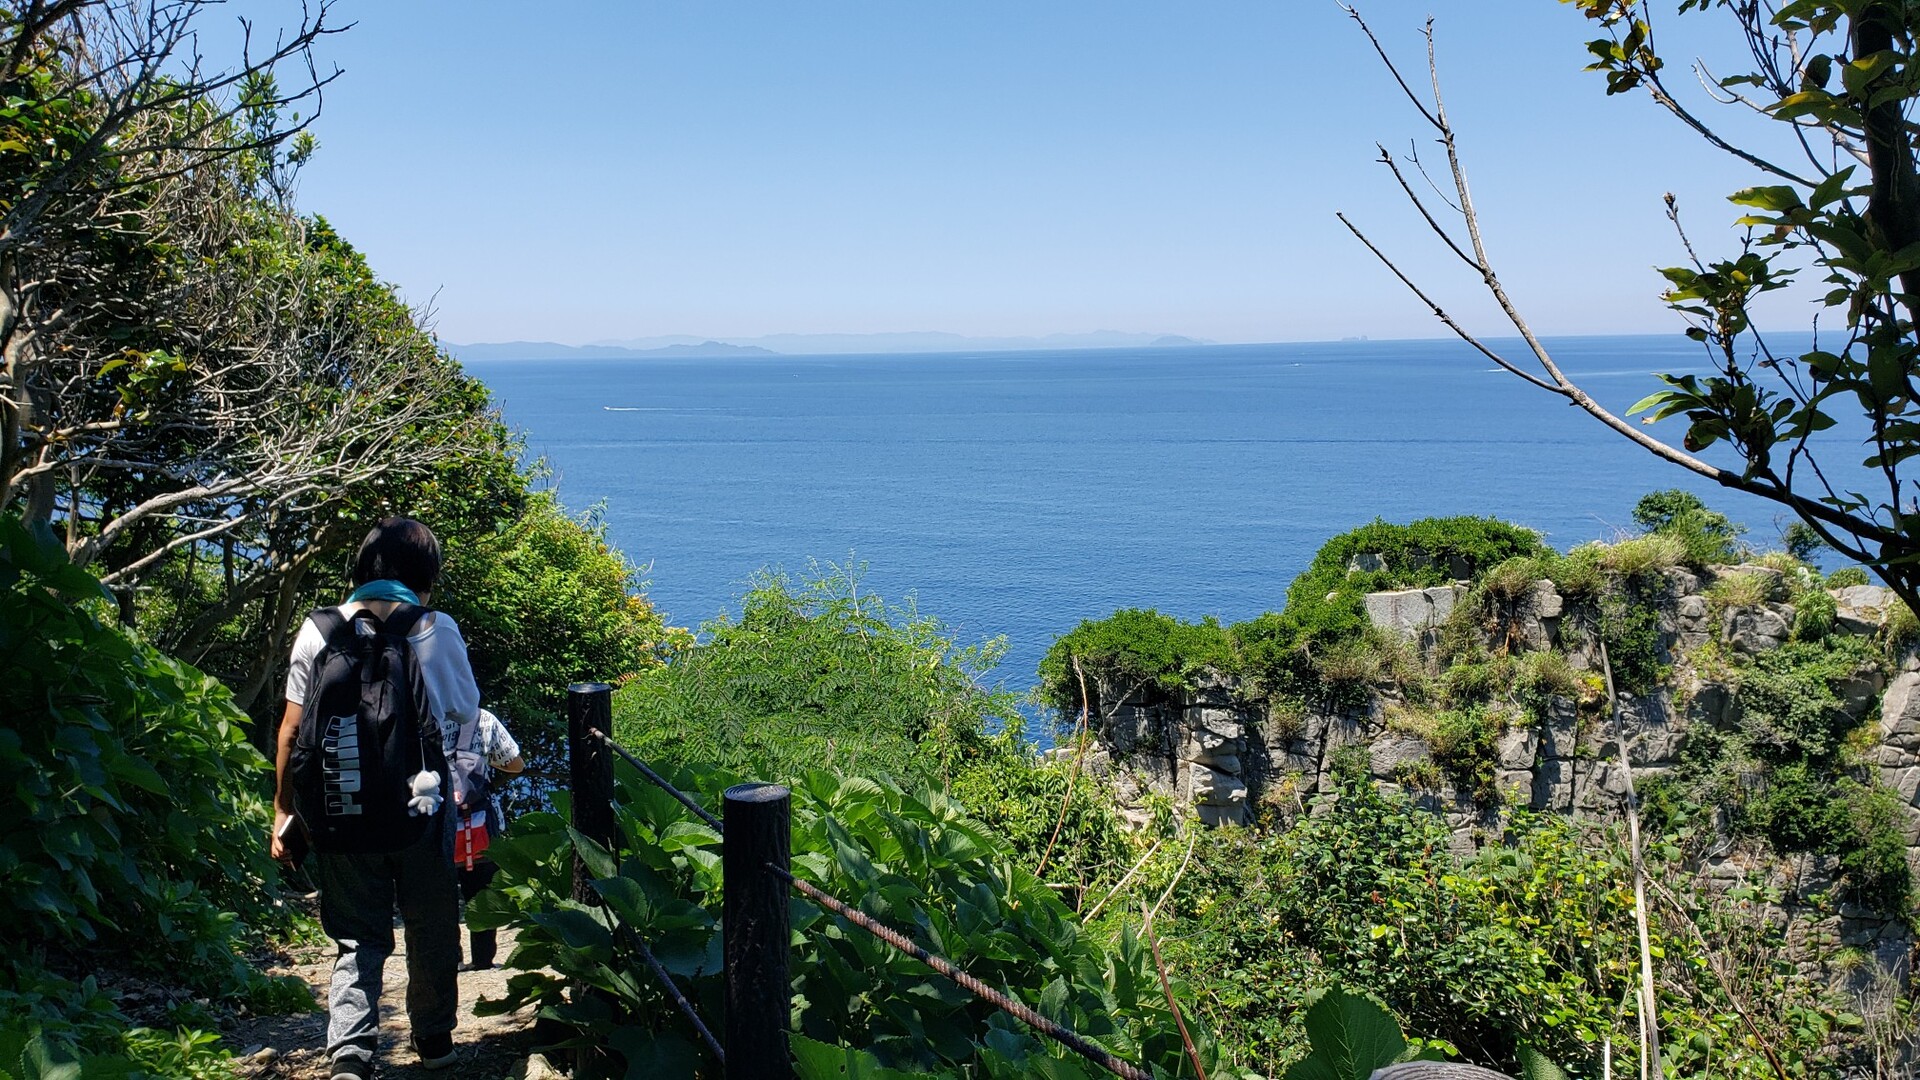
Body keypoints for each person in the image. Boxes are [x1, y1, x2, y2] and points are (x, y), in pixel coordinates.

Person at [271, 518, 479, 1080]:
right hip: (421, 809)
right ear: (426, 577)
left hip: (339, 810)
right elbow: (464, 711)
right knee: (432, 926)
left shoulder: (318, 630)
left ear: (360, 571)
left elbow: (290, 734)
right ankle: (433, 1039)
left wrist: (284, 811)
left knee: (355, 936)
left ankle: (351, 1055)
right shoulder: (434, 627)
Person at [451, 707, 525, 971]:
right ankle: (482, 960)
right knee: (482, 893)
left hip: (433, 822)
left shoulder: (418, 714)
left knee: (439, 895)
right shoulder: (481, 718)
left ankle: (450, 959)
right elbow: (516, 765)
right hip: (478, 823)